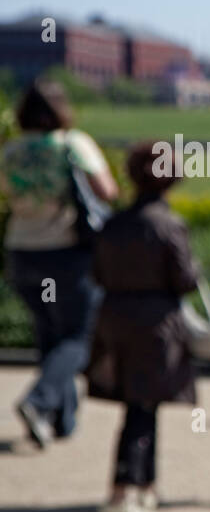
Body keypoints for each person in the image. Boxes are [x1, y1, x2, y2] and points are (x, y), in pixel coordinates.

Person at [85, 142, 200, 512]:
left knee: (141, 405)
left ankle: (146, 484)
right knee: (142, 407)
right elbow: (184, 279)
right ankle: (123, 491)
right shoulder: (169, 225)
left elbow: (97, 273)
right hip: (155, 324)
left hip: (115, 317)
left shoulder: (114, 224)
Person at [1, 80, 118, 448]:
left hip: (21, 250)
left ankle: (61, 420)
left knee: (50, 334)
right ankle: (38, 403)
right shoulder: (72, 144)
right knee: (78, 337)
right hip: (66, 250)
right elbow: (107, 191)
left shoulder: (11, 151)